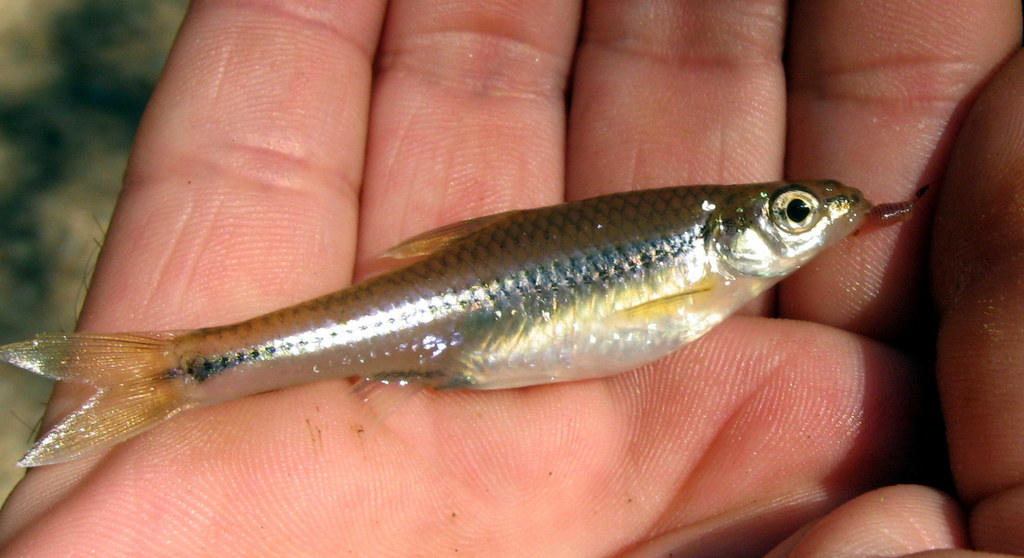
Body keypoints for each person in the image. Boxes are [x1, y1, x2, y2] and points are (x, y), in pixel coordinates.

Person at [1, 2, 1022, 556]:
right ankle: (177, 371)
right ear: (734, 233)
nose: (813, 225)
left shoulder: (704, 274)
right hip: (464, 320)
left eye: (803, 215)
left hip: (469, 324)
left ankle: (171, 375)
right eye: (795, 215)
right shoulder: (701, 257)